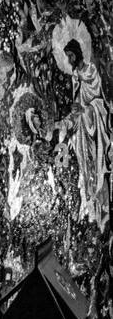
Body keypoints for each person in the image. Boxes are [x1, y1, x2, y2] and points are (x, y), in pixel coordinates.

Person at [53, 37, 112, 228]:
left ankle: (104, 213)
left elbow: (99, 102)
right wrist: (65, 122)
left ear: (78, 52)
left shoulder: (90, 71)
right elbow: (76, 106)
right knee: (87, 174)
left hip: (95, 129)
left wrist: (85, 111)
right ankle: (94, 213)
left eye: (71, 55)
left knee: (98, 168)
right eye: (67, 57)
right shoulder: (75, 77)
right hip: (82, 135)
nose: (69, 60)